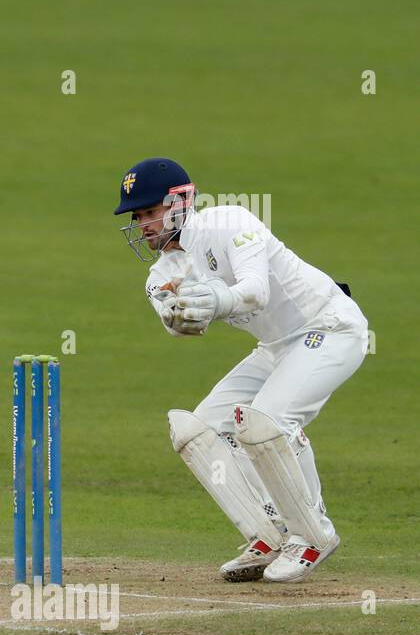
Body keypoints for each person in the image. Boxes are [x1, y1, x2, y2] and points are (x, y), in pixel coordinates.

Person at [115, 157, 367, 583]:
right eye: (137, 216)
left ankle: (312, 535)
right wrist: (179, 317)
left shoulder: (230, 221)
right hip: (275, 347)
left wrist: (213, 301)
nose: (144, 224)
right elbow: (178, 326)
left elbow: (255, 291)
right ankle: (266, 534)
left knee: (267, 419)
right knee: (200, 429)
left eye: (150, 212)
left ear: (180, 202)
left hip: (329, 327)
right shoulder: (161, 273)